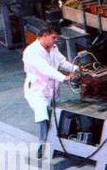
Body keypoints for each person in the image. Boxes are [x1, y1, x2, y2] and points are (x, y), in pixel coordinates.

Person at [22, 24, 76, 159]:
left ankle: (56, 143)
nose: (55, 40)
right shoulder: (31, 52)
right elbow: (45, 69)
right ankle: (42, 145)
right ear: (44, 36)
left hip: (52, 89)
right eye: (53, 38)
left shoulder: (52, 48)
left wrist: (76, 69)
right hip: (37, 90)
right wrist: (64, 78)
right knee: (42, 116)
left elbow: (62, 62)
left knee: (54, 115)